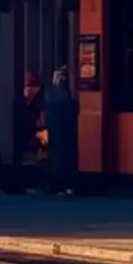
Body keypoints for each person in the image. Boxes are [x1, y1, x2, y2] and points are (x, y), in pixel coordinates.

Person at [44, 66, 79, 195]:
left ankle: (58, 183)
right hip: (63, 130)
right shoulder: (61, 94)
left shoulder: (51, 93)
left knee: (59, 156)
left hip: (58, 130)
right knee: (62, 157)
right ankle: (62, 183)